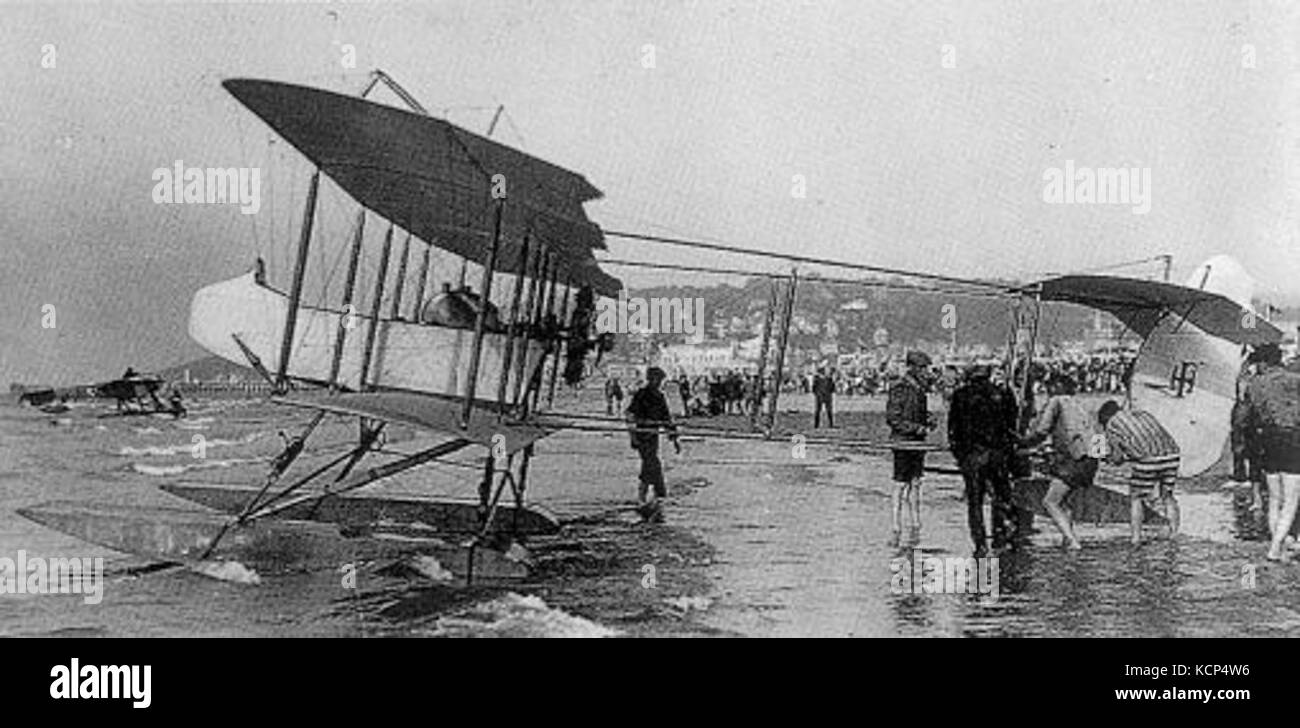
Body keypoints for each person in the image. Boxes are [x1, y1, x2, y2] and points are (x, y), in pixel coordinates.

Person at [1020, 375, 1100, 549]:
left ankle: (1072, 540)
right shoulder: (1082, 406)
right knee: (1064, 502)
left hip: (1074, 460)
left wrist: (1023, 442)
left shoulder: (1056, 402)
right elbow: (1097, 436)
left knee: (1050, 502)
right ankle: (1067, 538)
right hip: (1090, 460)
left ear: (1056, 388)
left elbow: (1042, 430)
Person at [1237, 343, 1300, 561]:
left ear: (1263, 363)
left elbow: (1246, 414)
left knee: (1274, 498)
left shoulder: (1255, 384)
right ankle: (1275, 548)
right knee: (1291, 500)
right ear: (1279, 360)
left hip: (1267, 439)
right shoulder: (1294, 380)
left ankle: (1278, 545)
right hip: (1292, 438)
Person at [947, 364, 1019, 557]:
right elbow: (1012, 422)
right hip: (996, 454)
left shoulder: (960, 395)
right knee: (1002, 497)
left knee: (975, 502)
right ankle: (1003, 538)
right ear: (987, 377)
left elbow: (953, 430)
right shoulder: (1000, 394)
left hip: (972, 456)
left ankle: (980, 544)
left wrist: (960, 456)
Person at [1097, 401, 1180, 545]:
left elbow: (1117, 458)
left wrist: (1107, 458)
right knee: (1167, 496)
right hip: (1172, 455)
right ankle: (1173, 534)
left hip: (1147, 459)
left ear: (1105, 417)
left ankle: (1135, 538)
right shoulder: (1142, 413)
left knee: (1136, 497)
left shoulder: (1112, 424)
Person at [886, 351, 933, 546]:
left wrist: (928, 418)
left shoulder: (919, 390)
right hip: (903, 441)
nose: (926, 372)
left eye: (926, 368)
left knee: (916, 482)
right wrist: (917, 427)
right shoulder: (900, 388)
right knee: (900, 483)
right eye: (922, 368)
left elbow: (916, 413)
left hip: (917, 441)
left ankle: (915, 521)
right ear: (912, 368)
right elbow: (893, 418)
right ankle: (896, 524)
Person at [626, 367, 681, 521]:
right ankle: (656, 496)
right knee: (652, 463)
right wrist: (632, 435)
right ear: (652, 379)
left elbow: (666, 419)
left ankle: (645, 499)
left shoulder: (659, 396)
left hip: (653, 435)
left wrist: (674, 438)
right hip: (642, 435)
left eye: (660, 380)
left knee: (649, 464)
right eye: (658, 379)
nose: (659, 383)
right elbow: (630, 414)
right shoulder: (641, 394)